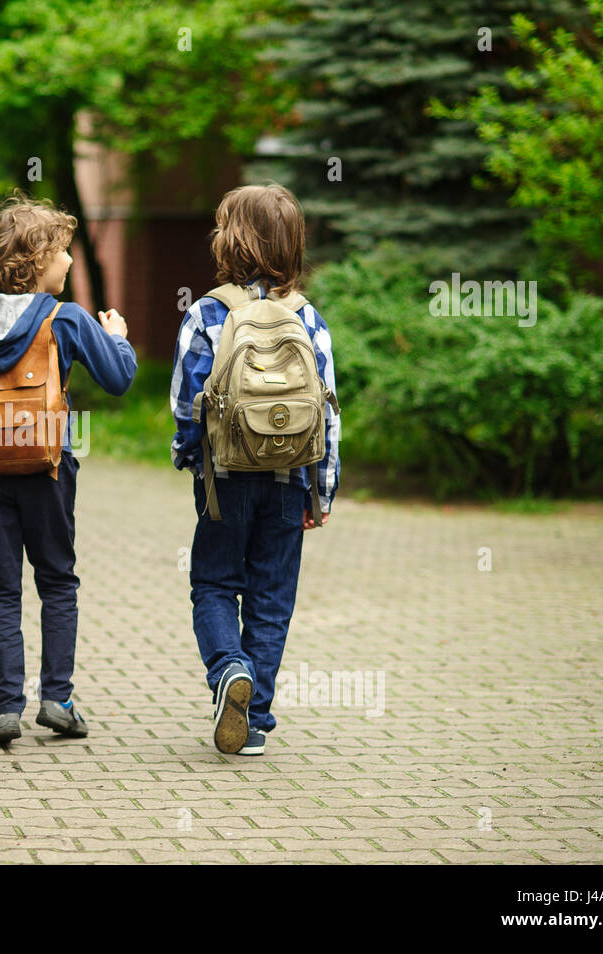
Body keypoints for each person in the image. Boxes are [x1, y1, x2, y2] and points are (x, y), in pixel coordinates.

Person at [0, 193, 138, 746]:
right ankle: (57, 699)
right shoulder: (68, 318)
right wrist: (118, 338)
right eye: (63, 252)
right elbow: (119, 379)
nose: (72, 261)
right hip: (48, 466)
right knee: (56, 579)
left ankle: (4, 708)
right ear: (37, 260)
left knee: (0, 589)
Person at [170, 184, 341, 756]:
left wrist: (189, 458)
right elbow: (329, 414)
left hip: (225, 481)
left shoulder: (206, 313)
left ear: (228, 240)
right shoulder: (309, 319)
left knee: (215, 582)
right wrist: (322, 494)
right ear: (292, 246)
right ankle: (257, 721)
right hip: (290, 480)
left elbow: (186, 405)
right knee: (271, 597)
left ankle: (228, 671)